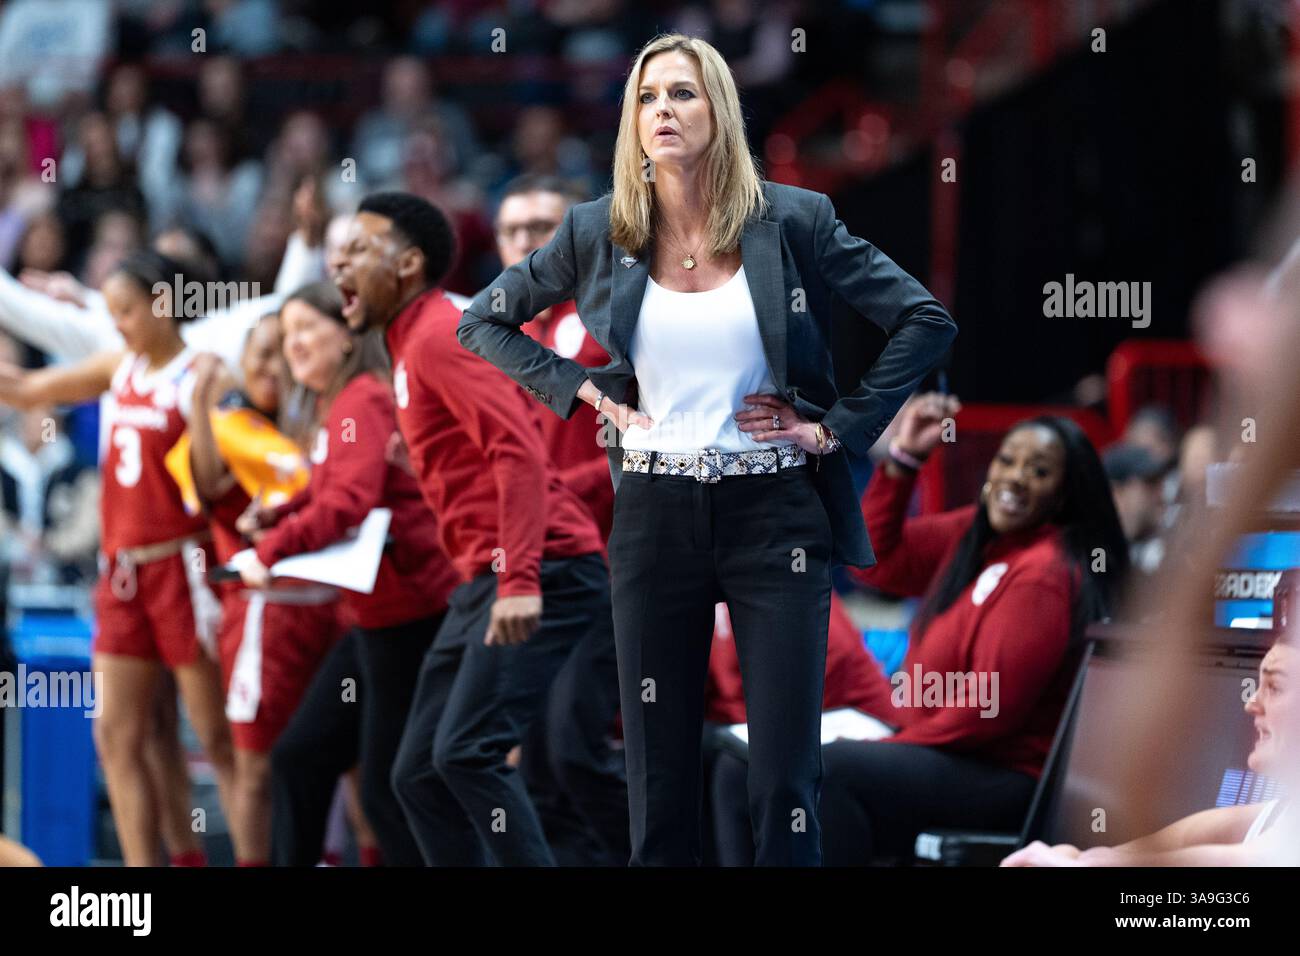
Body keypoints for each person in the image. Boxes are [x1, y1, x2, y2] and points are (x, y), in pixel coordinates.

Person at [456, 33, 957, 865]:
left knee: (782, 781)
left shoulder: (793, 218)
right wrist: (583, 390)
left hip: (776, 515)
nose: (663, 111)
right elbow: (482, 319)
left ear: (719, 109)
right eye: (648, 97)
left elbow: (924, 319)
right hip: (653, 515)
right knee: (660, 779)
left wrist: (835, 427)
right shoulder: (598, 230)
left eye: (683, 94)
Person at [334, 193, 613, 866]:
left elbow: (516, 449)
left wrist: (518, 577)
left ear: (407, 264)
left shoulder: (438, 335)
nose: (339, 260)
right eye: (338, 249)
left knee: (466, 753)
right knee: (416, 775)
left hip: (543, 565)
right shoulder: (406, 348)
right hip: (482, 579)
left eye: (358, 249)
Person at [782, 393, 1128, 866]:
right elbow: (872, 563)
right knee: (742, 762)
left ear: (1064, 495)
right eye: (1008, 460)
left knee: (832, 770)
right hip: (944, 752)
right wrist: (904, 460)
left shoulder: (1044, 573)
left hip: (1001, 775)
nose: (1016, 477)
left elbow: (991, 709)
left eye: (1040, 471)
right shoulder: (979, 535)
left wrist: (895, 745)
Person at [0, 250, 234, 866]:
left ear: (163, 304)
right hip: (122, 574)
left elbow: (212, 486)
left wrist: (208, 408)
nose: (118, 325)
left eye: (126, 311)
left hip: (183, 568)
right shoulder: (118, 366)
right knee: (117, 734)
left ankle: (245, 853)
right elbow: (26, 389)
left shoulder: (203, 373)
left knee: (211, 738)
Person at [234, 282, 460, 867]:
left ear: (347, 334)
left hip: (409, 617)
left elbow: (347, 504)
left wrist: (269, 550)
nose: (294, 346)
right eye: (287, 337)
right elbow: (328, 489)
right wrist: (278, 514)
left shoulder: (363, 398)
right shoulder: (344, 403)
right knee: (304, 760)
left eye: (308, 329)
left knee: (387, 792)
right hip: (378, 619)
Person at [168, 310, 343, 865]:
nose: (272, 364)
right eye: (260, 353)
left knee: (354, 760)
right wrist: (201, 401)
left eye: (283, 349)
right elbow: (205, 483)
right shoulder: (228, 428)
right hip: (265, 614)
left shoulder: (324, 415)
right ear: (240, 364)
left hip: (339, 608)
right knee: (255, 763)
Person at [490, 173, 626, 864]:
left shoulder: (605, 315)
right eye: (512, 230)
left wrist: (533, 498)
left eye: (541, 228)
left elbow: (631, 443)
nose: (525, 242)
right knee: (536, 763)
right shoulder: (499, 333)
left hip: (608, 568)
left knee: (575, 752)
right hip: (529, 574)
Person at [1002, 627, 1295, 866]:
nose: (1251, 703)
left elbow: (1259, 860)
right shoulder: (1267, 816)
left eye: (1275, 687)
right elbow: (1131, 854)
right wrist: (1069, 857)